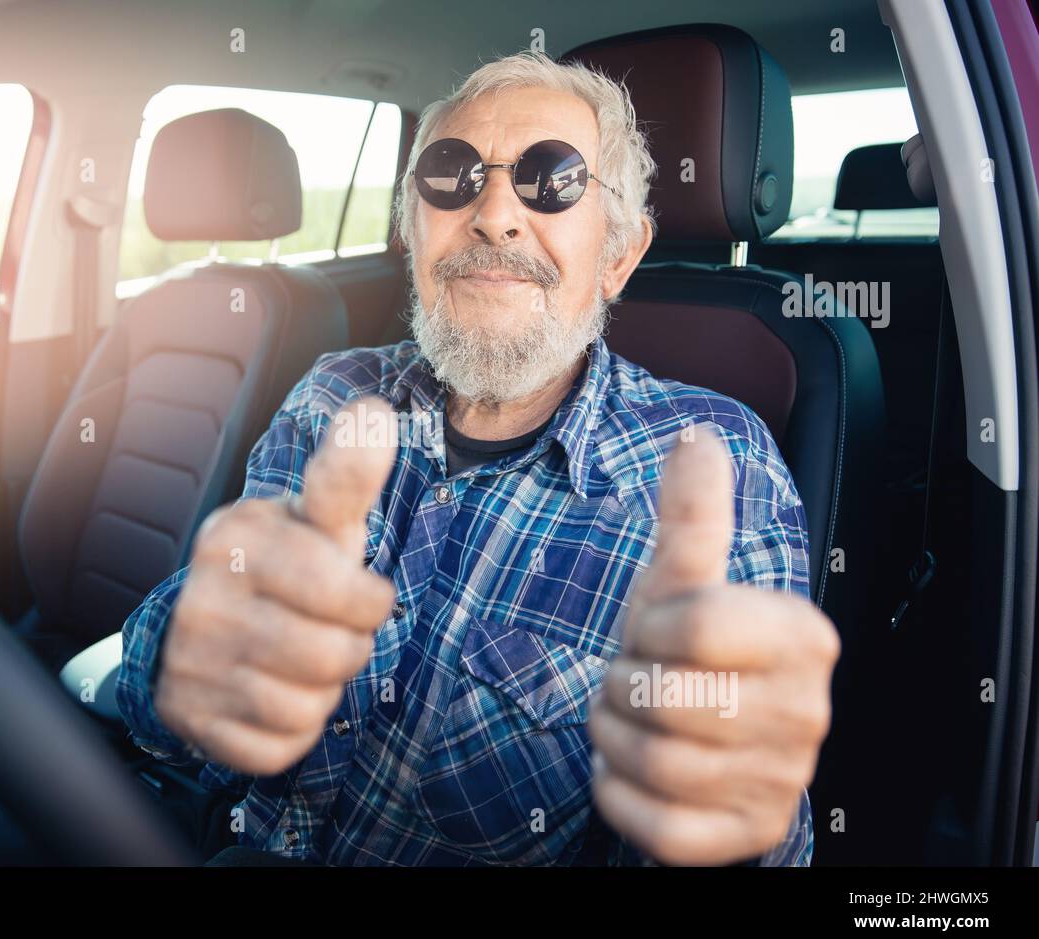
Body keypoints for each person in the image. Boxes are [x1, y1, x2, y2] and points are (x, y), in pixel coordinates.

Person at [117, 50, 838, 866]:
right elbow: (167, 713)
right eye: (452, 173)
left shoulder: (716, 467)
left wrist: (726, 807)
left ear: (618, 255)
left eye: (553, 179)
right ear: (409, 230)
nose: (495, 214)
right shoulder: (332, 397)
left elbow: (747, 820)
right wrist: (189, 658)